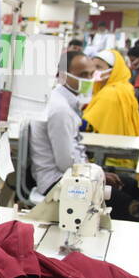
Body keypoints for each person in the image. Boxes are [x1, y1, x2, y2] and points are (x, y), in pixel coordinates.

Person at [29, 53, 101, 195]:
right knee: (124, 200)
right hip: (58, 183)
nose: (89, 80)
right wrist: (96, 175)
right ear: (63, 76)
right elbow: (67, 164)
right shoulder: (60, 110)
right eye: (83, 74)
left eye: (91, 74)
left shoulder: (62, 100)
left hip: (65, 177)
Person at [83, 49, 139, 136]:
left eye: (99, 67)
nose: (94, 71)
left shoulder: (111, 93)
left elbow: (89, 123)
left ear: (113, 70)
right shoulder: (124, 87)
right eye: (93, 66)